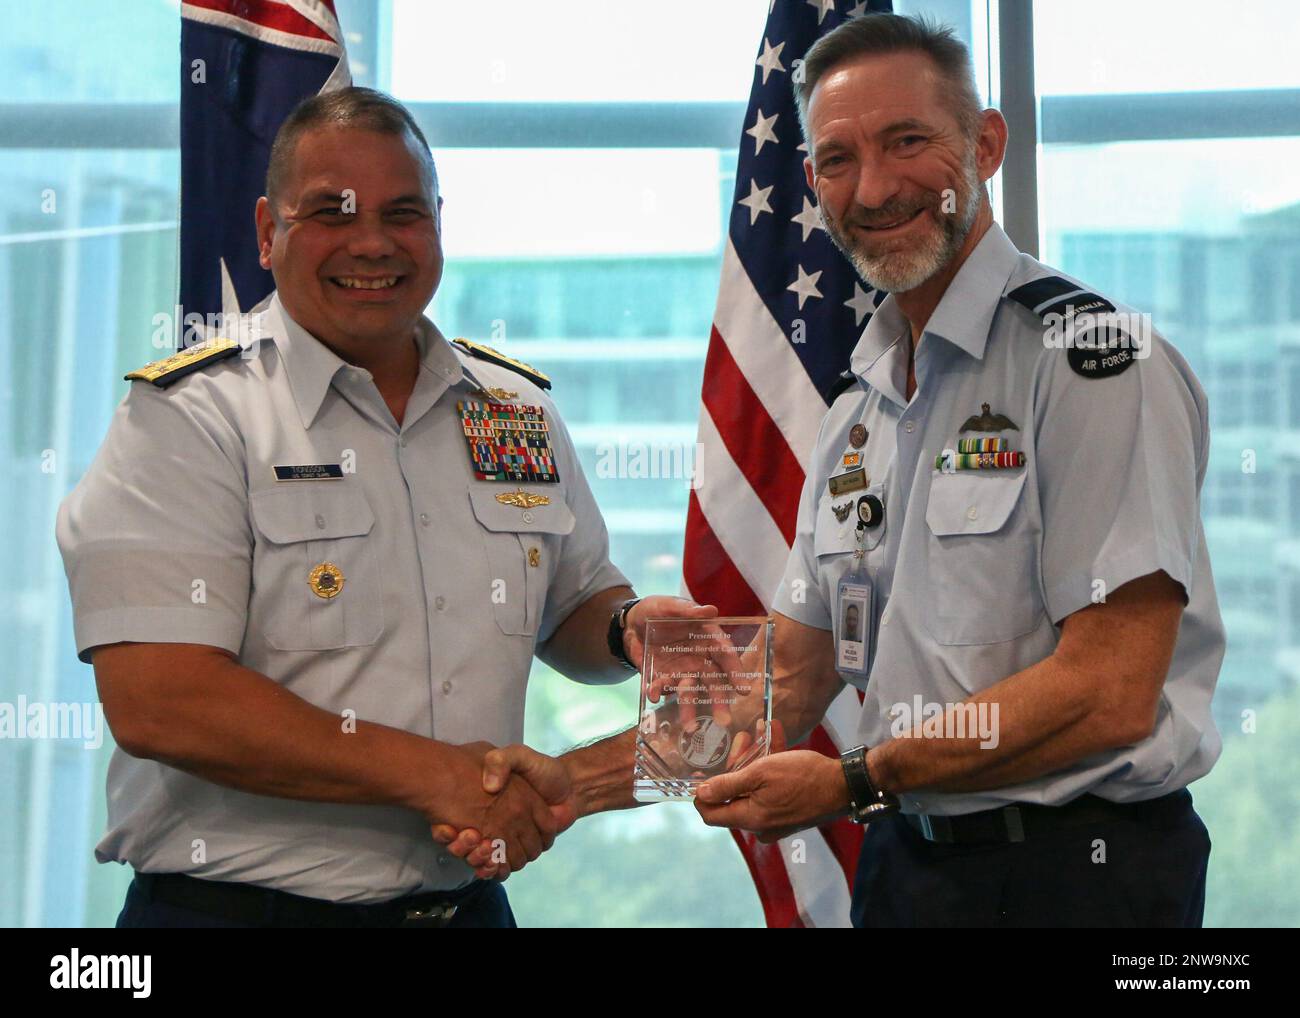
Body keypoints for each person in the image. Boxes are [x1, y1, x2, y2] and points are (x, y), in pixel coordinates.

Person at [55, 86, 711, 928]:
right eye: (332, 212)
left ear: (438, 224)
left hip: (468, 908)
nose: (371, 242)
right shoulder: (190, 419)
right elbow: (162, 701)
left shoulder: (511, 410)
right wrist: (439, 777)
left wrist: (625, 628)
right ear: (267, 231)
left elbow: (571, 606)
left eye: (403, 213)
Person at [684, 13, 1225, 928]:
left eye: (908, 142)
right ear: (812, 182)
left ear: (986, 146)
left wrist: (856, 779)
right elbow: (796, 670)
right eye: (839, 159)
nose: (875, 188)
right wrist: (572, 779)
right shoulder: (858, 404)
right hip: (908, 865)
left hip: (1080, 873)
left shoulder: (1092, 360)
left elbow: (1110, 691)